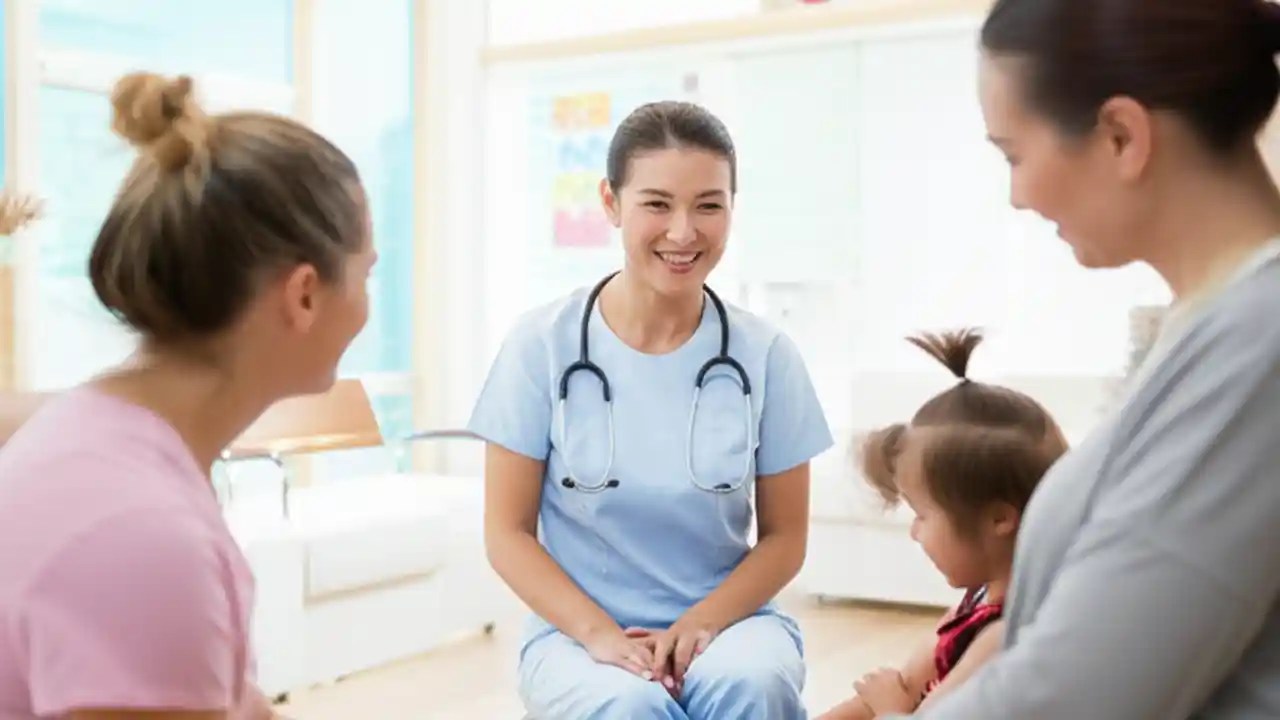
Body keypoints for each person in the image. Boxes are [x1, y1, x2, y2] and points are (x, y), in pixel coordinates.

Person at [884, 0, 1280, 717]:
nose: (1017, 195)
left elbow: (1073, 695)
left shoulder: (1260, 346)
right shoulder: (1211, 326)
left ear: (1122, 136)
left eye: (1014, 155)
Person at [0, 71, 374, 719]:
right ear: (305, 294)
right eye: (366, 274)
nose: (367, 305)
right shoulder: (141, 534)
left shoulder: (99, 442)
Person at [468, 100, 833, 719]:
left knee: (753, 684)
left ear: (731, 210)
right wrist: (597, 633)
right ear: (611, 203)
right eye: (657, 204)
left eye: (709, 205)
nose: (684, 231)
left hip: (728, 619)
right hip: (575, 629)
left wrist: (701, 625)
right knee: (626, 706)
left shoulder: (767, 355)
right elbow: (507, 533)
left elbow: (784, 537)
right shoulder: (541, 345)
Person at [815, 329, 1067, 719]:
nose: (915, 531)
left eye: (922, 515)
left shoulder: (1004, 637)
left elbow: (911, 708)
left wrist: (890, 708)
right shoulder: (979, 602)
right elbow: (908, 680)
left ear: (999, 518)